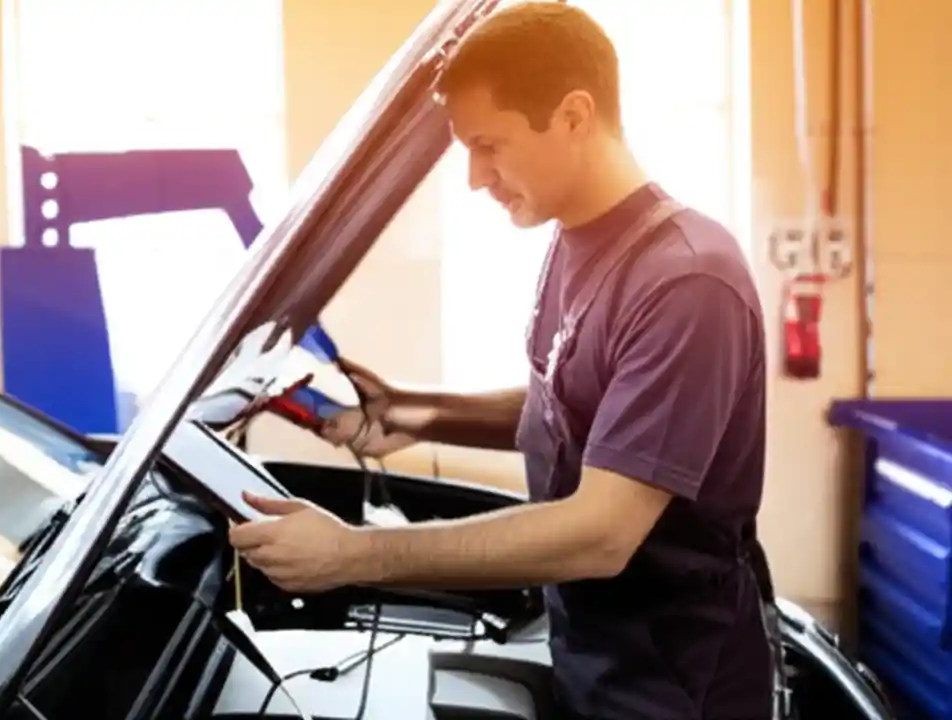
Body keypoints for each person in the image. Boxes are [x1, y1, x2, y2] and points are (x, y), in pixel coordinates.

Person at [228, 4, 775, 720]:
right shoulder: (576, 240)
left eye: (490, 145)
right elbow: (577, 404)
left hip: (675, 683)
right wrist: (416, 412)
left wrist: (354, 555)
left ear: (575, 116)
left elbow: (601, 533)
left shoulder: (688, 280)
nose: (475, 178)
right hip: (596, 656)